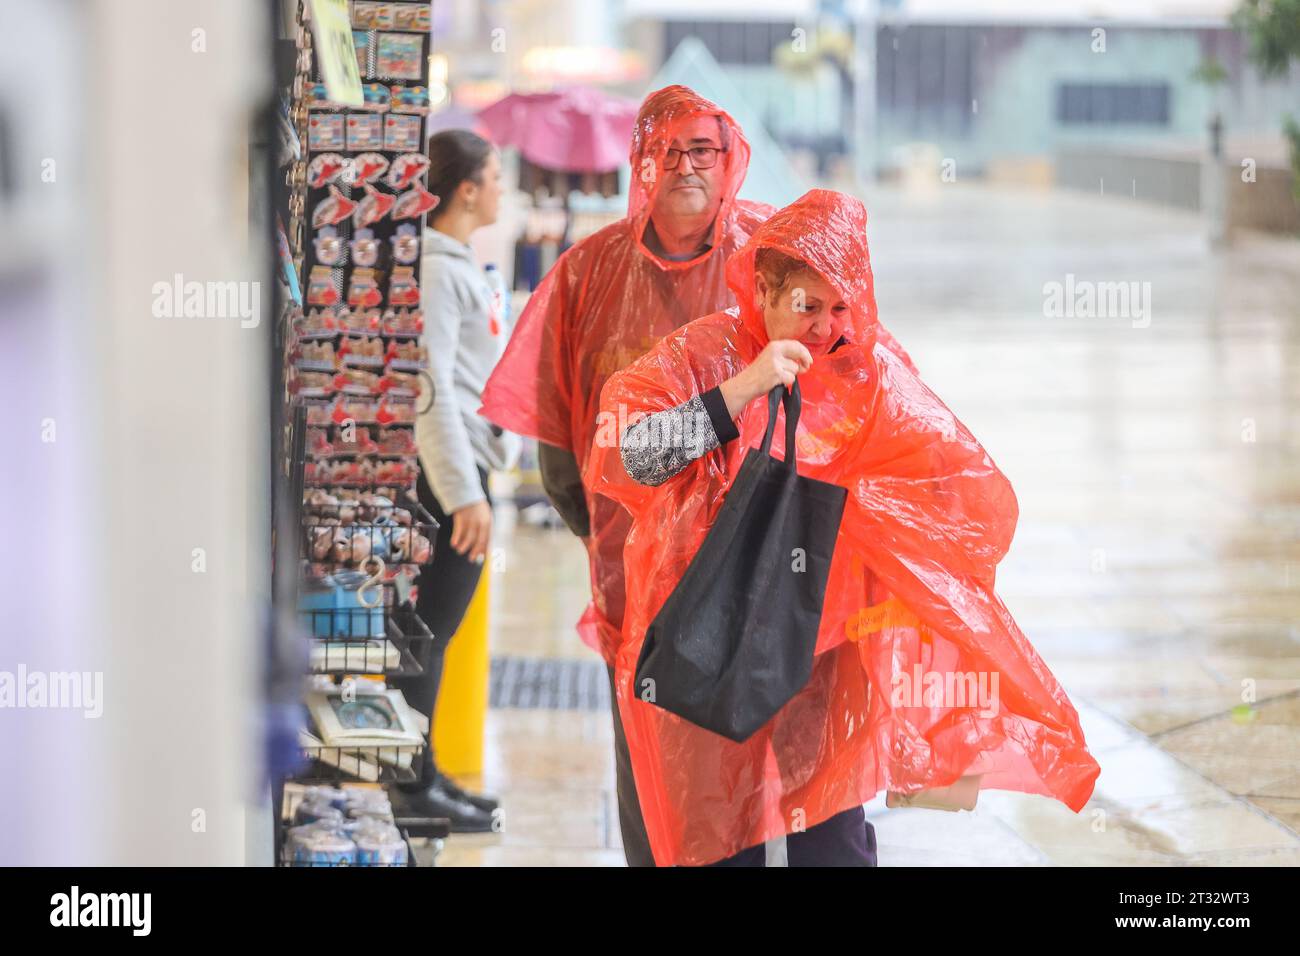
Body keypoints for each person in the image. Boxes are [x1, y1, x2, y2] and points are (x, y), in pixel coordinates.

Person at [584, 189, 1101, 866]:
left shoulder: (869, 371)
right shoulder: (703, 354)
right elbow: (632, 456)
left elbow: (954, 485)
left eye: (839, 308)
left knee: (831, 836)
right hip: (707, 630)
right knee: (710, 830)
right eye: (807, 306)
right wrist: (742, 389)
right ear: (764, 288)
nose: (826, 327)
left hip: (820, 647)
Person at [476, 85, 774, 866]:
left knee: (748, 769)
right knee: (645, 753)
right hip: (632, 566)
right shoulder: (588, 273)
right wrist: (608, 534)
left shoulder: (768, 258)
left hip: (750, 558)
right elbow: (556, 425)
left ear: (729, 159)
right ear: (640, 163)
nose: (683, 168)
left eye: (700, 151)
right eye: (666, 151)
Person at [390, 129, 520, 831]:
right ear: (467, 189)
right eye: (496, 176)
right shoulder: (438, 270)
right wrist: (463, 493)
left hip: (464, 473)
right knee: (427, 634)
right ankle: (411, 791)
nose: (503, 189)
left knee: (434, 633)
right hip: (447, 481)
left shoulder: (455, 263)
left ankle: (425, 771)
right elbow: (428, 385)